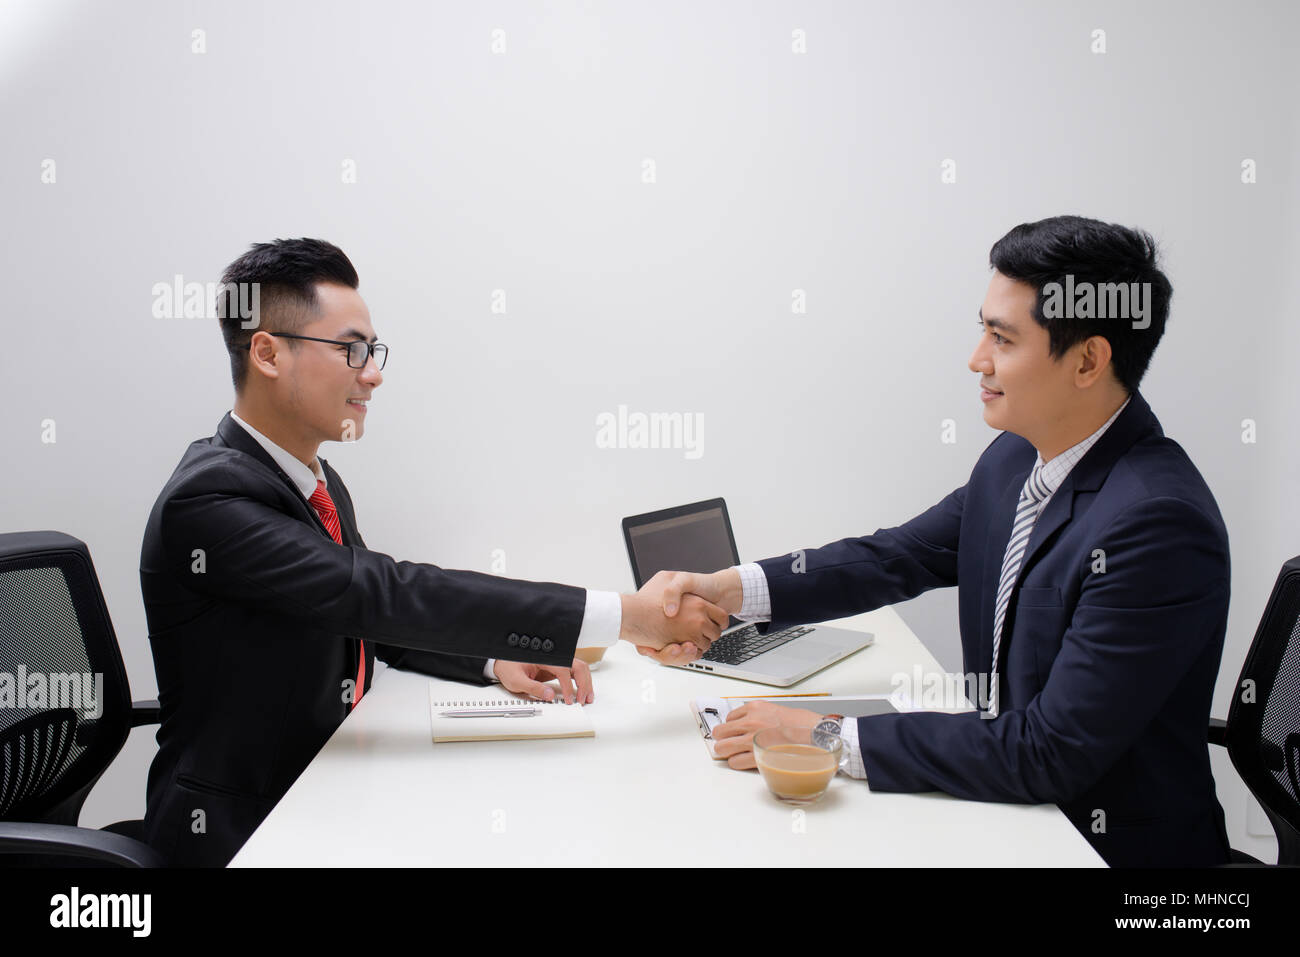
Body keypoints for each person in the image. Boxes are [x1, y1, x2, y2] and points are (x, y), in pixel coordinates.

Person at [644, 216, 1232, 867]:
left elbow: (1049, 752)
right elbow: (898, 555)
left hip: (1103, 851)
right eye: (983, 327)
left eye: (1002, 338)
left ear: (1089, 359)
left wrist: (826, 734)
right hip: (1010, 813)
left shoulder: (1158, 524)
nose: (977, 357)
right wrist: (727, 590)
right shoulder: (1015, 457)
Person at [139, 238, 726, 866]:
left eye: (373, 351)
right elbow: (379, 593)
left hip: (333, 782)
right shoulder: (208, 501)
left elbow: (366, 618)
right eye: (351, 349)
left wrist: (491, 663)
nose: (373, 372)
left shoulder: (313, 480)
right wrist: (626, 615)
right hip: (244, 826)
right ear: (268, 353)